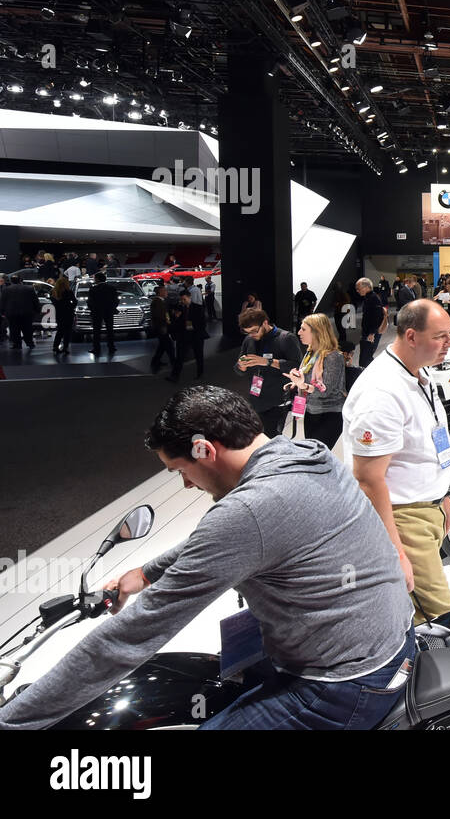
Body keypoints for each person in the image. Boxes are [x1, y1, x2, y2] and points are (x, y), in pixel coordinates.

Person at [0, 385, 415, 731]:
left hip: (347, 681)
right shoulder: (306, 454)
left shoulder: (249, 510)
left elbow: (129, 637)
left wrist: (14, 721)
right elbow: (225, 540)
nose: (184, 484)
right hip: (388, 639)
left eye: (179, 469)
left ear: (203, 449)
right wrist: (144, 574)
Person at [343, 299, 450, 657]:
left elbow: (429, 444)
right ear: (412, 336)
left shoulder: (420, 372)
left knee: (419, 620)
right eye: (441, 336)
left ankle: (432, 700)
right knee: (443, 617)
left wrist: (444, 496)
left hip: (426, 509)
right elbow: (368, 479)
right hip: (403, 518)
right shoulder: (381, 392)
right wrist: (396, 550)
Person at [235, 308, 304, 435]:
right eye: (247, 332)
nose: (252, 334)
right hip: (255, 400)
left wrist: (268, 362)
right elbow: (238, 369)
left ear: (265, 323)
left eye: (255, 330)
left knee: (270, 440)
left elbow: (296, 367)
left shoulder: (286, 338)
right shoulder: (249, 340)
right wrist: (241, 366)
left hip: (277, 401)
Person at [285, 313, 347, 451]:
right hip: (312, 411)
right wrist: (296, 382)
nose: (299, 332)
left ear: (317, 332)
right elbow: (307, 380)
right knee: (312, 454)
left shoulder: (333, 357)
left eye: (303, 329)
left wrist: (303, 385)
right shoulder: (310, 353)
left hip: (330, 414)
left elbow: (326, 391)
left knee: (317, 455)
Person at [168, 290, 208, 382]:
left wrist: (193, 326)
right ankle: (175, 376)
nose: (182, 301)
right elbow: (175, 322)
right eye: (181, 299)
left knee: (199, 355)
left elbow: (202, 322)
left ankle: (200, 373)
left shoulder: (198, 307)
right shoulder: (180, 307)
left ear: (189, 297)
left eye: (184, 299)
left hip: (196, 335)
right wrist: (176, 316)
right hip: (184, 335)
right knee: (180, 356)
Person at [355, 278, 386, 367]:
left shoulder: (373, 298)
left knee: (365, 358)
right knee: (366, 356)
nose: (357, 290)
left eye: (359, 288)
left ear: (367, 287)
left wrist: (372, 333)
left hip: (371, 333)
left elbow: (376, 317)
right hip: (368, 332)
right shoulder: (369, 297)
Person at [87, 271, 119, 355]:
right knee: (110, 329)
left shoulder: (93, 289)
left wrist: (92, 309)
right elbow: (116, 300)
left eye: (94, 278)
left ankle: (96, 348)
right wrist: (113, 308)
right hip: (109, 311)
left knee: (96, 331)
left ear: (97, 279)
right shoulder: (112, 288)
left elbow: (90, 302)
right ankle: (111, 347)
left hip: (97, 312)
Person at [3, 275, 39, 349]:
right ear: (20, 280)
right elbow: (35, 301)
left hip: (12, 313)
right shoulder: (29, 288)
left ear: (11, 281)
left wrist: (3, 312)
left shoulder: (6, 290)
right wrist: (37, 310)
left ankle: (17, 344)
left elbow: (3, 302)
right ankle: (30, 343)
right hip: (27, 313)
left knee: (14, 329)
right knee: (27, 329)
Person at [148, 284, 176, 374]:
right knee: (169, 345)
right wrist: (164, 325)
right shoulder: (157, 302)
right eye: (164, 291)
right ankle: (174, 362)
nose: (166, 292)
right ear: (160, 292)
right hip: (161, 327)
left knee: (163, 345)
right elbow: (159, 316)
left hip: (163, 327)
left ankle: (155, 361)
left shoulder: (161, 301)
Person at [50, 275, 75, 355]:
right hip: (68, 313)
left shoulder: (53, 292)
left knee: (60, 331)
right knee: (67, 332)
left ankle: (55, 346)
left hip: (59, 313)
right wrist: (71, 307)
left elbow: (54, 302)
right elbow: (74, 301)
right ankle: (65, 347)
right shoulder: (69, 291)